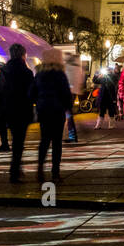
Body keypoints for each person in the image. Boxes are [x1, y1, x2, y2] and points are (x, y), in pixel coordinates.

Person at [31, 48, 73, 182]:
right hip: (57, 110)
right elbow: (66, 93)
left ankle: (40, 169)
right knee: (56, 142)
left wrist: (39, 102)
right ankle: (55, 173)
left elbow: (31, 93)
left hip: (43, 110)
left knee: (44, 140)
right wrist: (68, 107)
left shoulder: (39, 74)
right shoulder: (60, 74)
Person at [0, 43, 35, 182]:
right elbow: (31, 92)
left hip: (8, 110)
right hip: (22, 110)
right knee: (19, 141)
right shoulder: (27, 72)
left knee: (15, 139)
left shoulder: (4, 71)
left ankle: (16, 168)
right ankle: (15, 170)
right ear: (23, 55)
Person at [94, 64, 118, 129]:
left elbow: (115, 81)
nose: (107, 71)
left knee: (111, 111)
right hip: (103, 96)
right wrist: (97, 74)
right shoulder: (103, 76)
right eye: (106, 70)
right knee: (101, 111)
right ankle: (98, 125)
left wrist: (111, 74)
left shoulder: (113, 76)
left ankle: (111, 125)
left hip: (111, 96)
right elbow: (95, 81)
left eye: (109, 69)